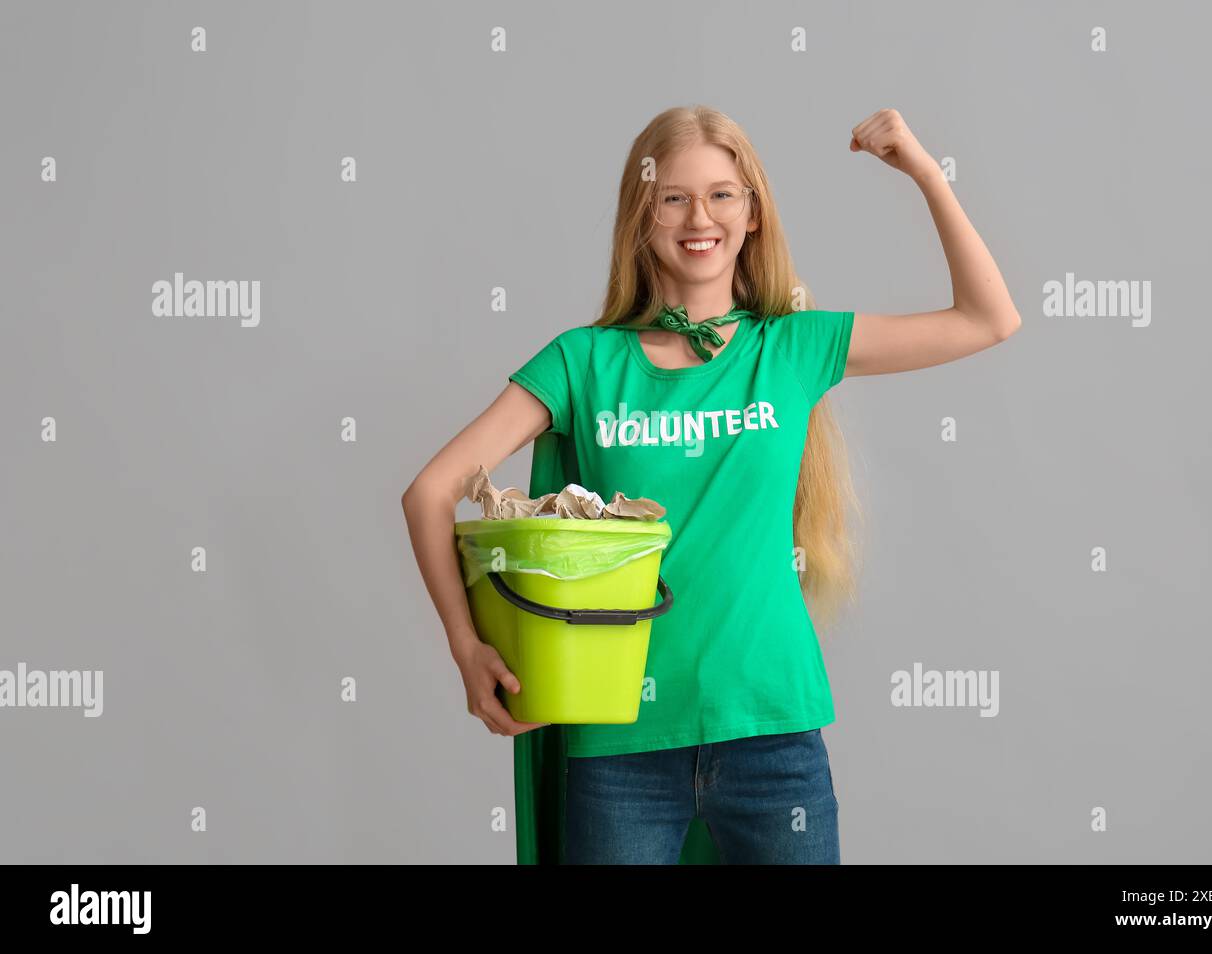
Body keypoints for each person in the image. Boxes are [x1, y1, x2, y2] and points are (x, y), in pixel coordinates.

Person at [401, 105, 1021, 865]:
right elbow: (431, 492)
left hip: (773, 737)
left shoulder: (793, 347)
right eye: (674, 198)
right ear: (642, 215)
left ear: (753, 214)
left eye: (724, 194)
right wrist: (468, 649)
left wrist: (925, 170)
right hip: (619, 744)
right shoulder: (582, 362)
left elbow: (988, 317)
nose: (701, 216)